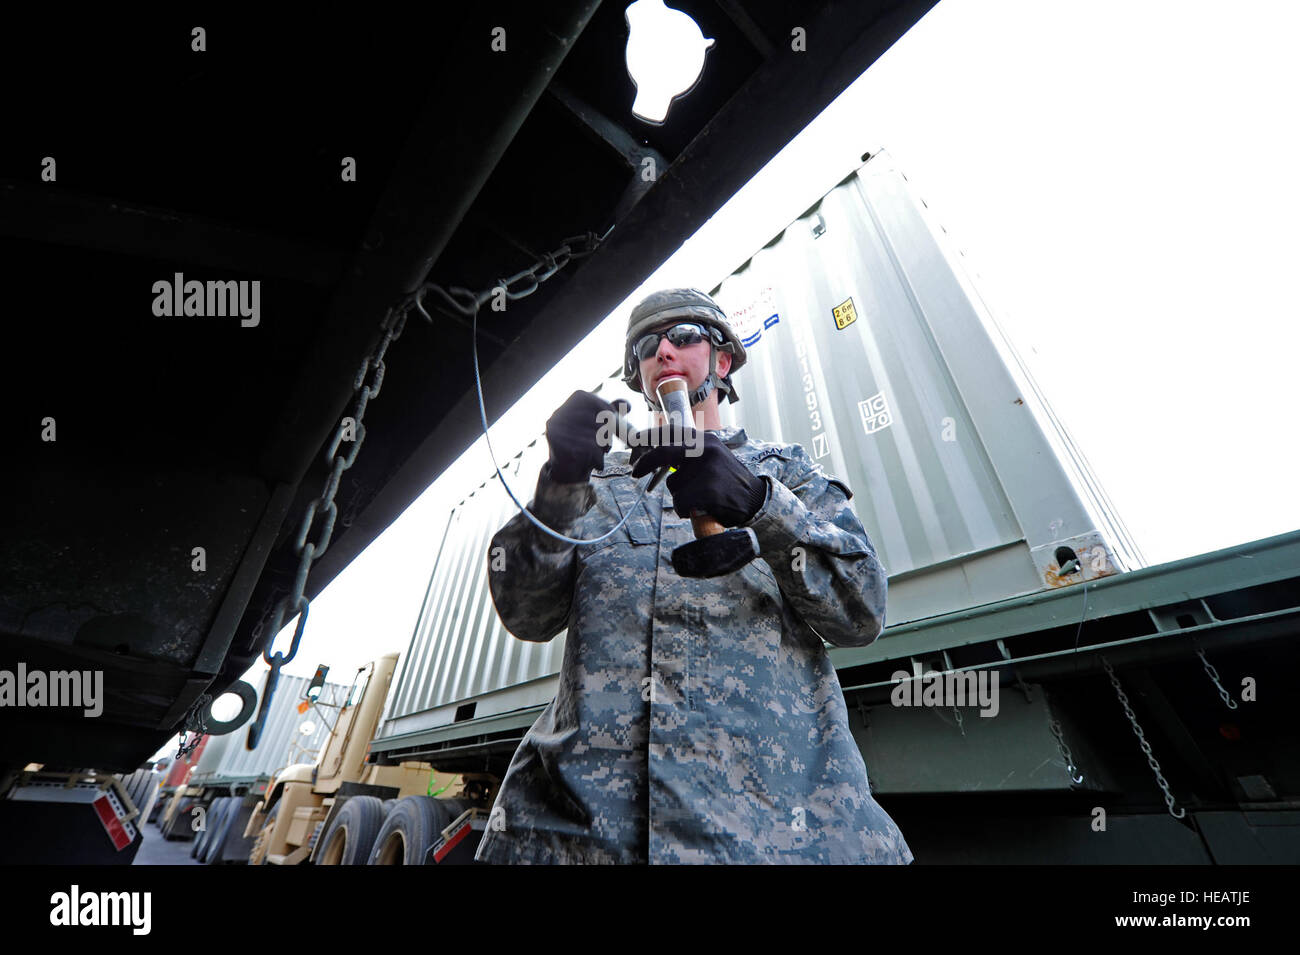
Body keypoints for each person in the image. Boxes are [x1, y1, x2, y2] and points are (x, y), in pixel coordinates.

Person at [474, 287, 913, 864]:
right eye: (647, 346)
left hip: (776, 837)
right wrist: (559, 481)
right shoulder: (597, 486)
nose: (665, 352)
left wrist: (762, 506)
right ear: (637, 375)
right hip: (582, 837)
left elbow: (863, 613)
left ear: (722, 361)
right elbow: (526, 615)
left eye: (684, 337)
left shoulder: (786, 476)